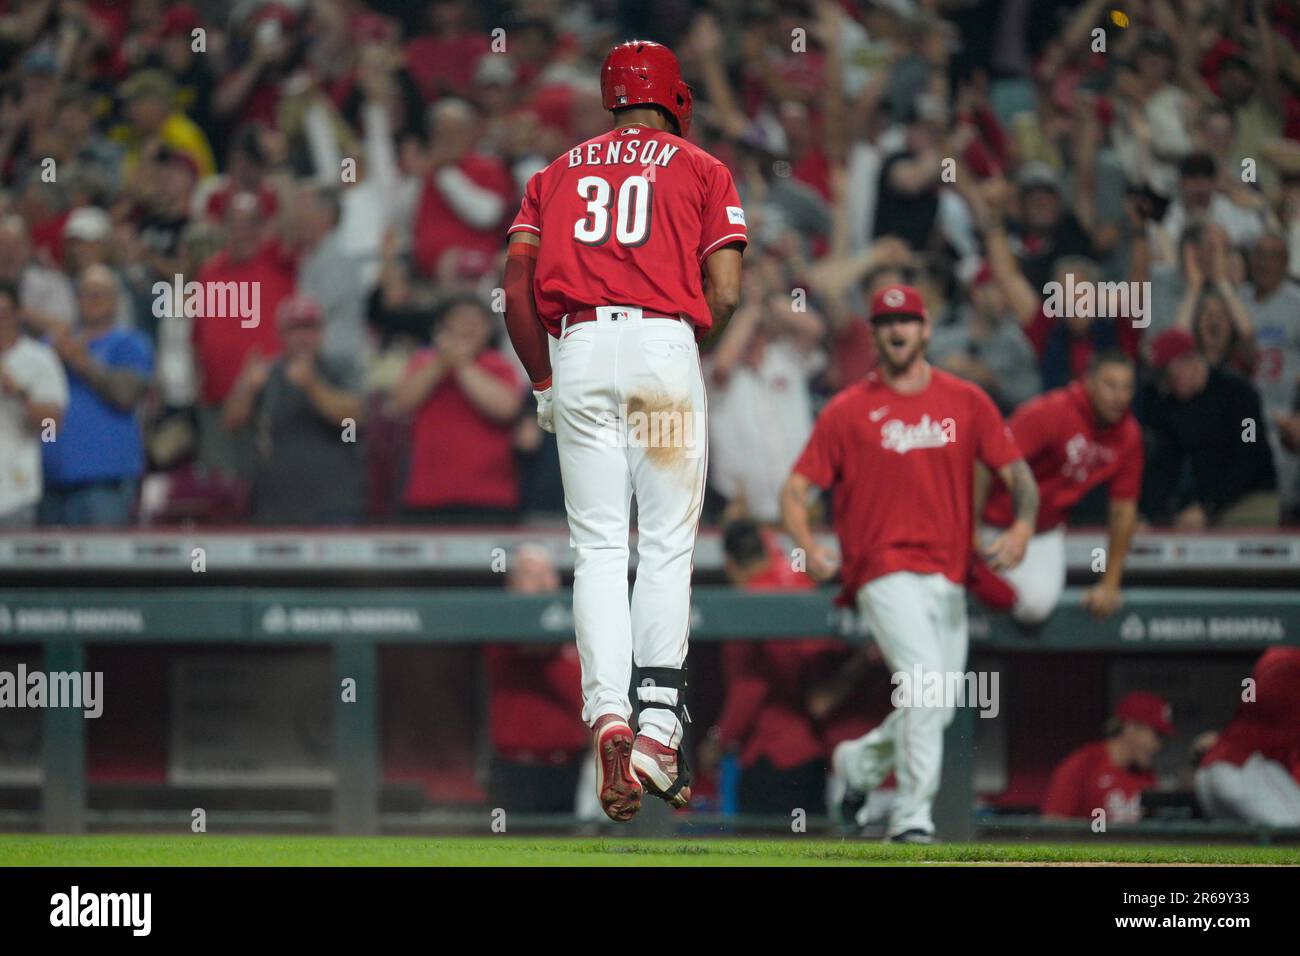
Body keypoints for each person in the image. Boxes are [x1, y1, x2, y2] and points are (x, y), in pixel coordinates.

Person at [502, 40, 744, 821]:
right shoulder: (703, 166)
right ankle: (659, 730)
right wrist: (680, 350)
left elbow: (514, 292)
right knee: (667, 543)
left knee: (599, 550)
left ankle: (606, 713)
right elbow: (728, 288)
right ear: (673, 95)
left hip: (575, 349)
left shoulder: (554, 173)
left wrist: (543, 380)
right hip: (662, 343)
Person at [780, 283, 1039, 843]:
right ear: (873, 335)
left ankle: (858, 765)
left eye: (907, 321)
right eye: (886, 322)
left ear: (924, 329)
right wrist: (808, 542)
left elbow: (1017, 474)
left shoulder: (966, 401)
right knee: (923, 684)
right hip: (880, 569)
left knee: (936, 706)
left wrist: (1021, 526)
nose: (897, 331)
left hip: (948, 577)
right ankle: (912, 818)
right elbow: (796, 489)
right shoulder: (848, 409)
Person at [974, 350, 1143, 625]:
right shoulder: (1050, 412)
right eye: (1110, 385)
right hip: (995, 523)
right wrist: (970, 532)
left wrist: (1110, 583)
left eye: (1127, 388)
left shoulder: (1128, 435)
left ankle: (977, 579)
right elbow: (983, 461)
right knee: (967, 593)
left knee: (1035, 606)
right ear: (1088, 382)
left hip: (1045, 532)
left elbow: (1123, 511)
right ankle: (971, 570)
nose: (1120, 396)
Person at [220, 295, 365, 525]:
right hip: (275, 507)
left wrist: (313, 386)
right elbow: (230, 423)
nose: (303, 338)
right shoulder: (265, 373)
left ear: (321, 332)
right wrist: (247, 390)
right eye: (295, 329)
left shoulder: (339, 369)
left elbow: (353, 419)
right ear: (280, 334)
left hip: (334, 505)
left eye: (310, 328)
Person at [389, 295, 524, 523]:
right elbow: (402, 403)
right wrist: (442, 362)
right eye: (460, 319)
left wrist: (461, 364)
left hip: (490, 498)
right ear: (442, 328)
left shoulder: (499, 365)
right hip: (427, 497)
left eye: (476, 321)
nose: (468, 326)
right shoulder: (423, 363)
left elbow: (506, 409)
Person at [40, 265, 153, 526]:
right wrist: (53, 358)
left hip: (104, 484)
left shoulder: (130, 343)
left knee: (103, 566)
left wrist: (82, 363)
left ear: (115, 300)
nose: (92, 300)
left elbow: (125, 395)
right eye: (85, 293)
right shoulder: (52, 346)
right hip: (50, 483)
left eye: (100, 294)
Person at [483, 544, 590, 816]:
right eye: (532, 574)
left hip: (568, 766)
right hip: (517, 770)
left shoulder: (575, 627)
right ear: (512, 584)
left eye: (548, 574)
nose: (544, 582)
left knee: (565, 853)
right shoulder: (501, 622)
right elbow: (536, 643)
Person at [1140, 327, 1278, 527]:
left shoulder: (1240, 394)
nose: (1166, 385)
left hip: (1250, 500)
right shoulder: (1171, 406)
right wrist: (1146, 515)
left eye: (1169, 376)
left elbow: (1250, 457)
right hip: (1207, 506)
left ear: (1190, 362)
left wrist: (1209, 506)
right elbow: (1165, 466)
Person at [1195, 647, 1300, 828]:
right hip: (1245, 767)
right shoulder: (1290, 662)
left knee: (1240, 850)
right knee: (1293, 833)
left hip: (1211, 773)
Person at [1041, 692, 1173, 825]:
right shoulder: (1084, 764)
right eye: (1156, 736)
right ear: (1131, 728)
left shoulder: (1147, 776)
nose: (1157, 747)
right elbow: (1051, 824)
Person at [0, 281, 67, 528]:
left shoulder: (39, 359)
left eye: (4, 315)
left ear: (18, 315)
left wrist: (19, 393)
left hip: (15, 493)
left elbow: (52, 431)